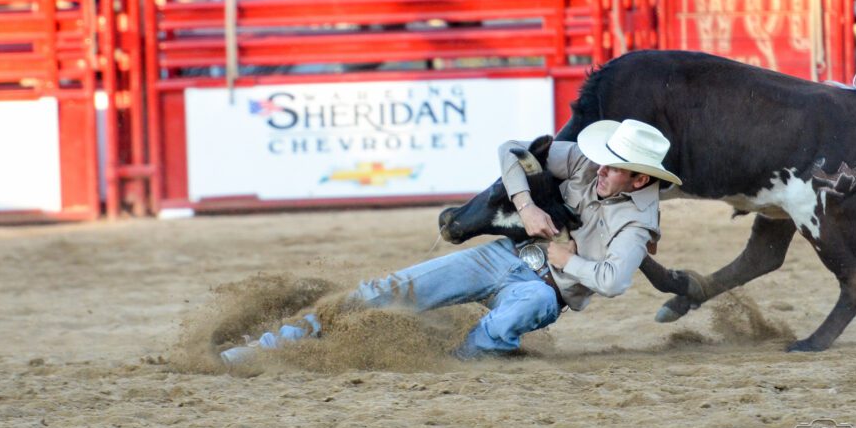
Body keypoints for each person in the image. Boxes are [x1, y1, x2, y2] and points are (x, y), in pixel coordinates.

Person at [220, 119, 683, 364]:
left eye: (613, 166)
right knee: (388, 289)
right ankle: (268, 347)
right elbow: (514, 150)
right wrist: (525, 207)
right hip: (504, 254)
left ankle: (457, 363)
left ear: (640, 178)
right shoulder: (588, 163)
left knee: (514, 315)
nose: (600, 168)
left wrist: (566, 258)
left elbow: (613, 281)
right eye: (603, 161)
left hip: (545, 290)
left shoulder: (638, 225)